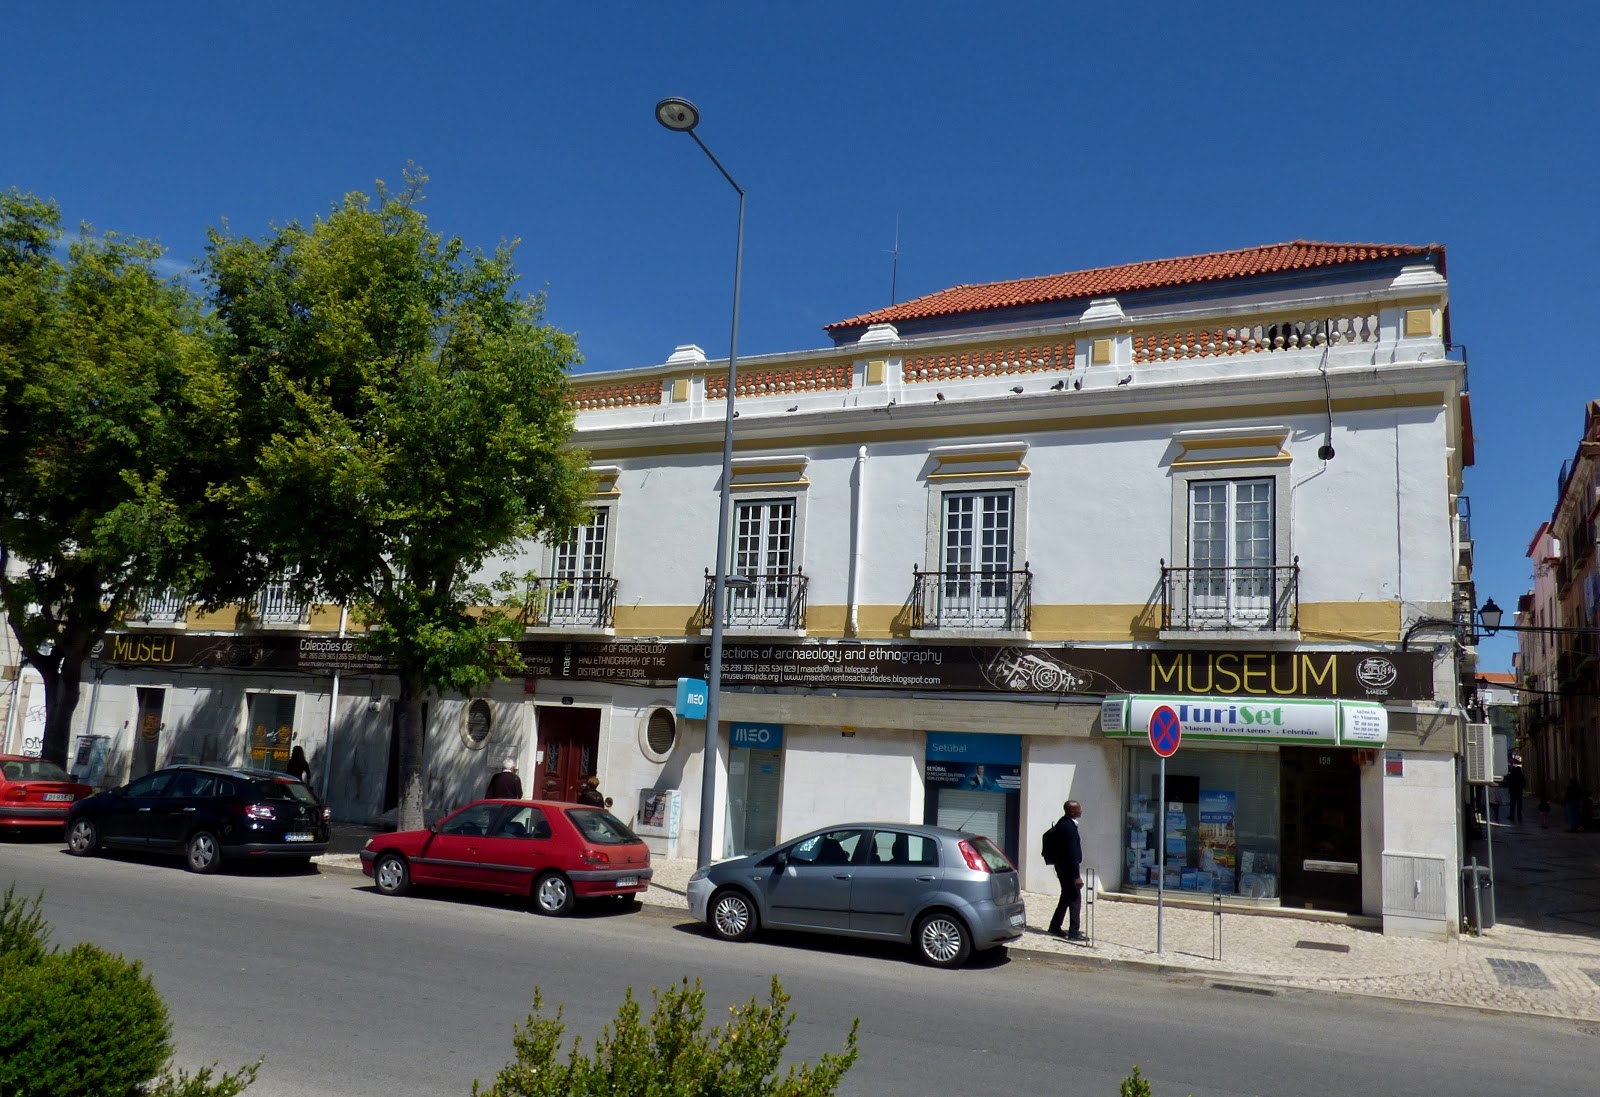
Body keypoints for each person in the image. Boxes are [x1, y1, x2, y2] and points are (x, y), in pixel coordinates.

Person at [1043, 800, 1085, 941]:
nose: (1081, 810)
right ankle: (1074, 932)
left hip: (1062, 867)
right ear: (1072, 811)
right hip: (1067, 869)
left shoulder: (1064, 823)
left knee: (1066, 897)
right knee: (1074, 898)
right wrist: (1076, 876)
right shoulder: (1068, 828)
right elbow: (1071, 855)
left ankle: (1055, 926)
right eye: (1079, 808)